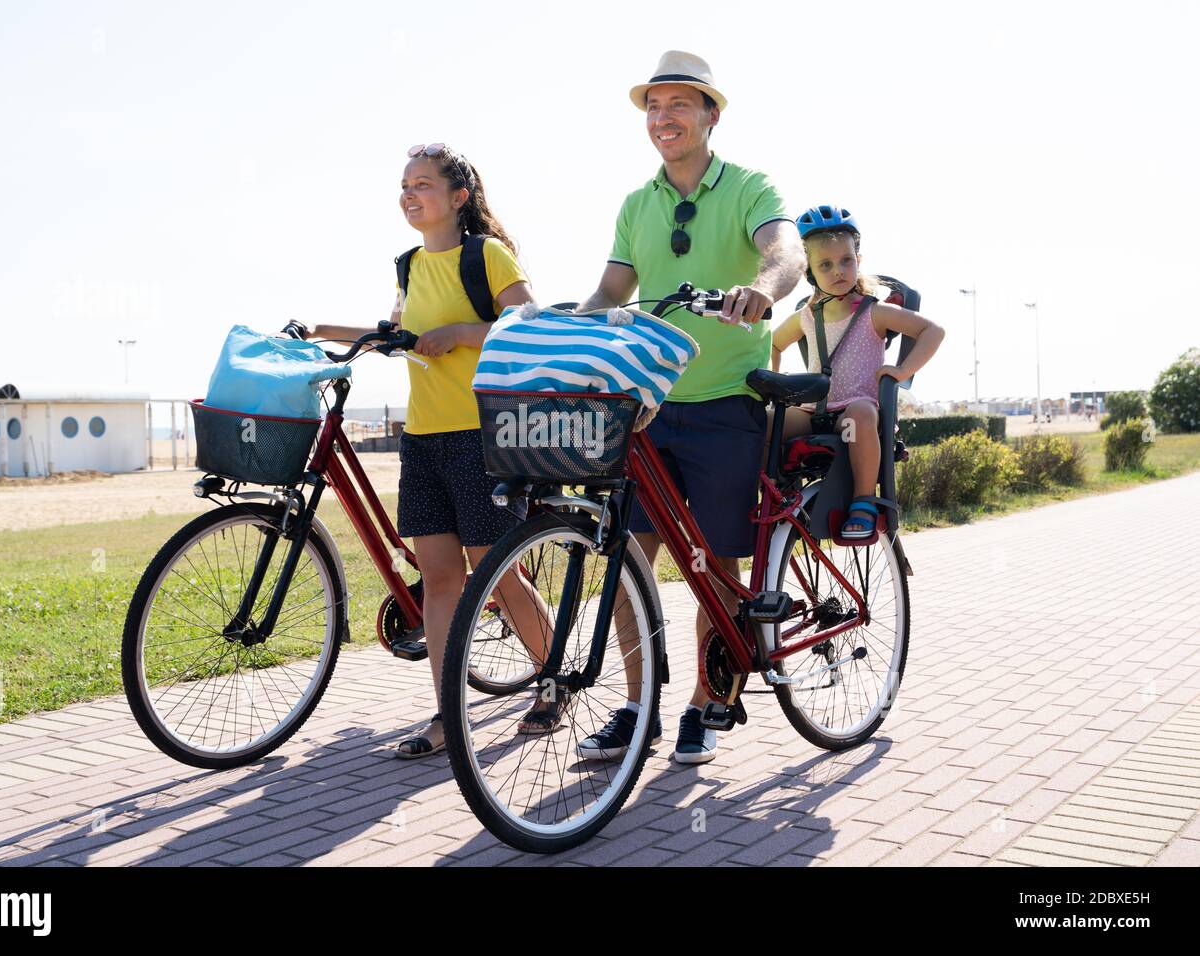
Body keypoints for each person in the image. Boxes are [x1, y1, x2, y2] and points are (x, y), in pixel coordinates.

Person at [573, 51, 806, 765]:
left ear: (710, 114)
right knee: (626, 559)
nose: (662, 118)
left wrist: (764, 289)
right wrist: (569, 333)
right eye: (653, 106)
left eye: (678, 104)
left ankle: (710, 701)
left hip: (724, 403)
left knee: (712, 565)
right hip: (648, 406)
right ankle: (638, 705)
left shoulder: (747, 187)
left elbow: (786, 252)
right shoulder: (637, 204)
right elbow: (612, 292)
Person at [300, 143, 550, 758]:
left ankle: (553, 679)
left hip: (482, 435)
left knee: (498, 572)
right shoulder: (409, 265)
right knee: (439, 578)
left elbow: (531, 325)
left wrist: (464, 333)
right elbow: (397, 335)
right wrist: (320, 331)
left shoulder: (485, 255)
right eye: (403, 186)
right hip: (425, 438)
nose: (410, 195)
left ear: (458, 196)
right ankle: (447, 711)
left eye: (423, 184)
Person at [769, 205, 945, 535]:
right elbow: (773, 344)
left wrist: (902, 371)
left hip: (856, 410)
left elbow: (933, 331)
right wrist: (777, 384)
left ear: (858, 261)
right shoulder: (806, 317)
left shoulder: (873, 312)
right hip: (814, 410)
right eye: (825, 264)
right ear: (809, 272)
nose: (838, 270)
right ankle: (779, 493)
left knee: (862, 413)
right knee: (763, 422)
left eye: (846, 260)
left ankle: (863, 499)